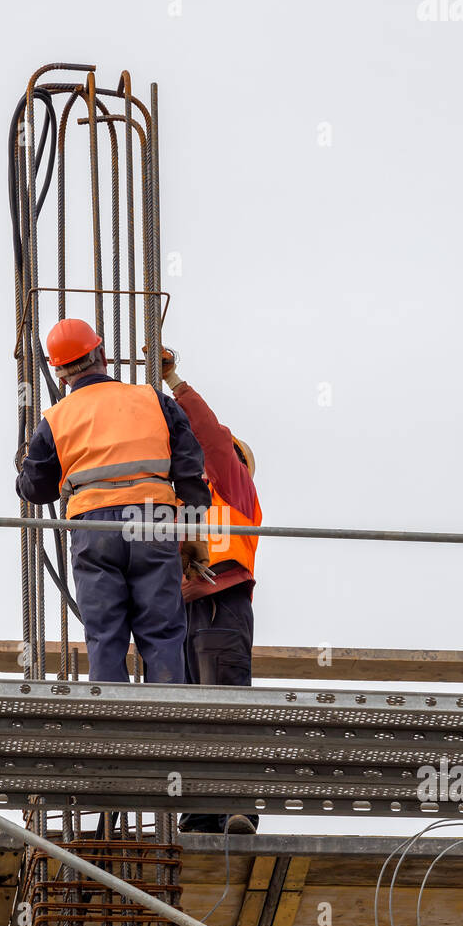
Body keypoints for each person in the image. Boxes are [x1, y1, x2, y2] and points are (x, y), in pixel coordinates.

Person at [16, 318, 210, 684]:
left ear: (59, 375)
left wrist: (24, 467)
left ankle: (109, 720)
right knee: (163, 631)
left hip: (93, 527)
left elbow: (36, 490)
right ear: (101, 353)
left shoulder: (55, 419)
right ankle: (168, 716)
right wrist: (195, 532)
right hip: (151, 520)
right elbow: (191, 476)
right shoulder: (153, 400)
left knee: (105, 635)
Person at [162, 350, 262, 835]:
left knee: (224, 706)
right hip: (181, 608)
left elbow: (210, 435)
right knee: (188, 714)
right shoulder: (187, 502)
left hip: (221, 597)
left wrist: (174, 384)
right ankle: (202, 815)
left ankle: (237, 806)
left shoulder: (234, 486)